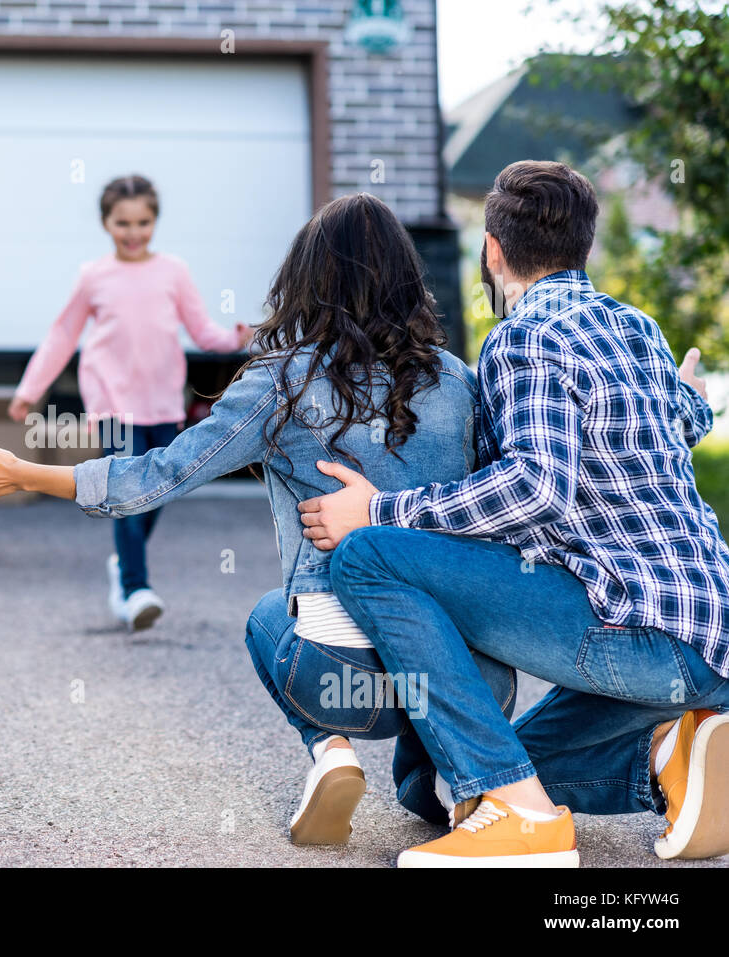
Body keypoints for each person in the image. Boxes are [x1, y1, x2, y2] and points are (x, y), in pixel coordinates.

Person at [0, 192, 514, 845]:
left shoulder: (283, 382)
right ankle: (456, 778)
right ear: (410, 280)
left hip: (342, 682)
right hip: (467, 684)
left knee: (269, 614)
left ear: (309, 279)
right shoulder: (462, 381)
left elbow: (162, 473)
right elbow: (497, 509)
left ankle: (332, 752)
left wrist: (27, 471)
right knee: (443, 633)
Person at [300, 160, 729, 867]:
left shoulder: (523, 336)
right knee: (480, 774)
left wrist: (378, 505)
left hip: (643, 636)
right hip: (707, 635)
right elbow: (668, 423)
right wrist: (689, 397)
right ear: (584, 245)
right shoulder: (636, 326)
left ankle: (519, 820)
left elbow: (536, 488)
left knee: (366, 555)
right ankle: (670, 756)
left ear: (494, 251)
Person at [7, 174, 250, 631]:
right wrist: (29, 389)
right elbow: (63, 334)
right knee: (123, 482)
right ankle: (136, 587)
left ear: (155, 221)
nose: (133, 232)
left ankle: (122, 566)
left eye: (143, 222)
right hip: (112, 401)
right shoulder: (93, 276)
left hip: (163, 402)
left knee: (156, 489)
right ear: (106, 223)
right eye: (123, 223)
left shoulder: (173, 271)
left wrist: (234, 337)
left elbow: (201, 331)